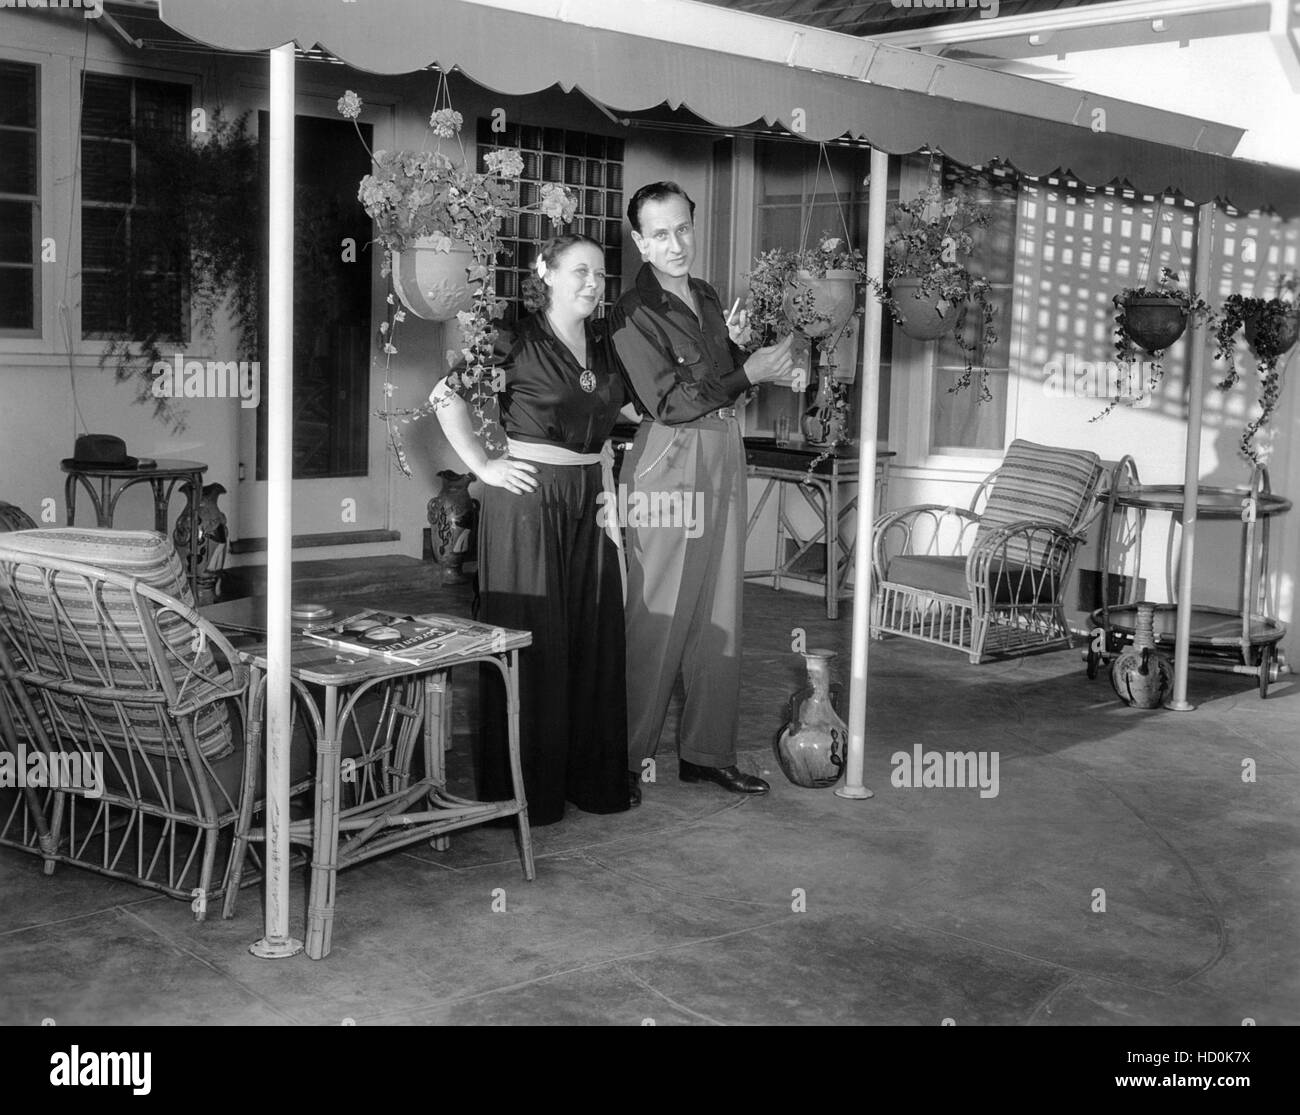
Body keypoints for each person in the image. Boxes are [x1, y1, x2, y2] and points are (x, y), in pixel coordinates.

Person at [430, 233, 629, 826]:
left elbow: (628, 411)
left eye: (599, 273)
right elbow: (445, 396)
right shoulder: (510, 337)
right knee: (533, 638)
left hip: (592, 496)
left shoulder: (605, 342)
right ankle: (527, 793)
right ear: (545, 271)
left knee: (594, 634)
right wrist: (484, 465)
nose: (593, 283)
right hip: (526, 498)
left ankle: (590, 782)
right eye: (580, 271)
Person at [610, 181, 797, 802]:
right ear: (639, 241)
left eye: (683, 228)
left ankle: (705, 754)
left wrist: (753, 359)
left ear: (694, 224)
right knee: (659, 614)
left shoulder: (709, 298)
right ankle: (622, 757)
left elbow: (717, 382)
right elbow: (669, 399)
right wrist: (749, 371)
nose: (675, 243)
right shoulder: (631, 312)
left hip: (721, 449)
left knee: (719, 611)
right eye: (659, 234)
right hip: (668, 456)